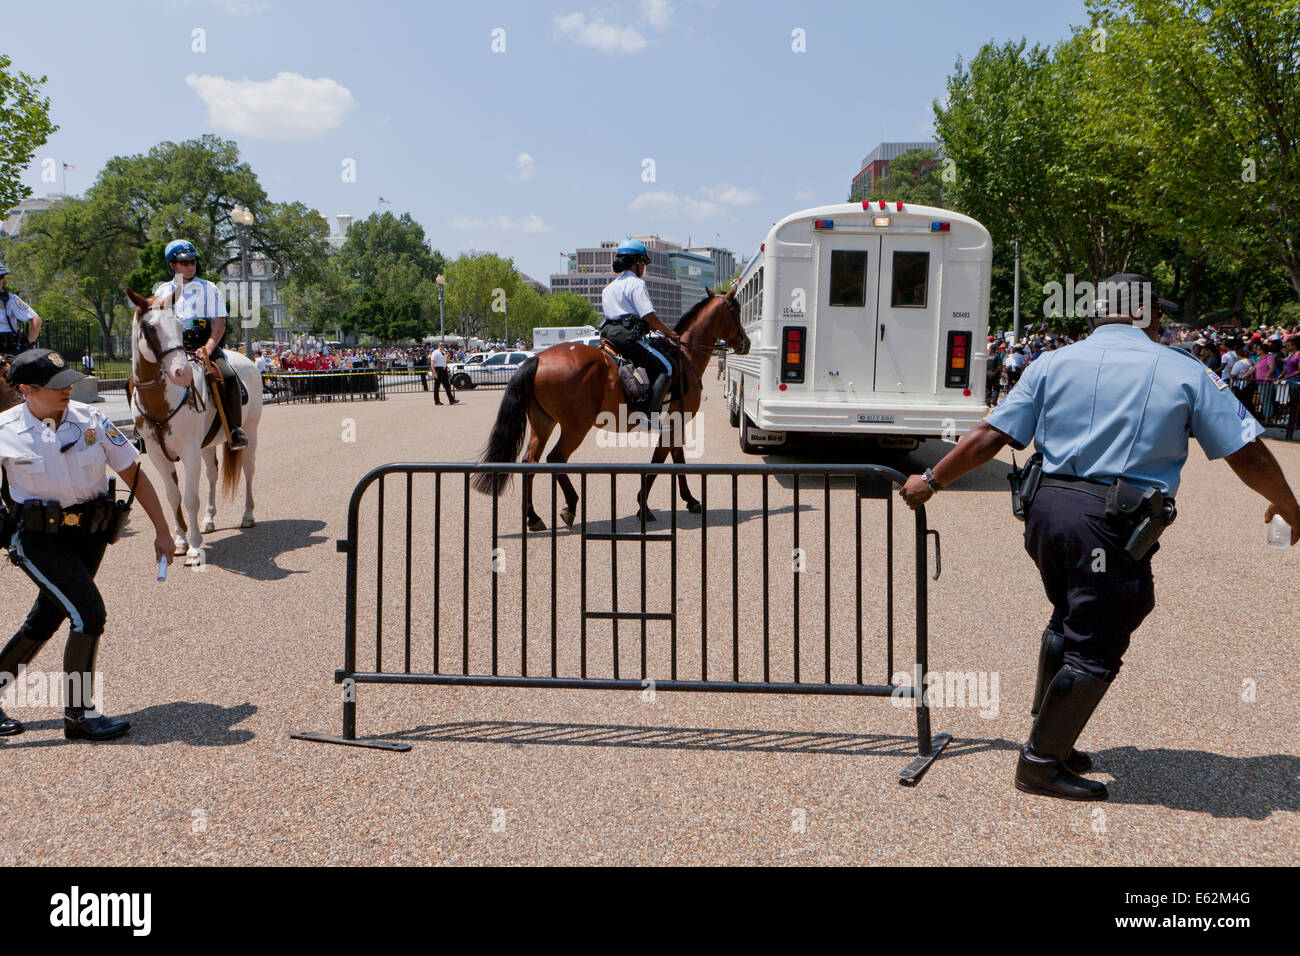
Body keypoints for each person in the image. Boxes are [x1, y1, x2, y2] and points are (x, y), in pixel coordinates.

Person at [899, 274, 1300, 801]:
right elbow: (1245, 451)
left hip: (1046, 510)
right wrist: (1290, 506)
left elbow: (990, 436)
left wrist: (931, 481)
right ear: (1150, 315)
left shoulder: (1051, 362)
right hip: (1110, 518)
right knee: (1100, 634)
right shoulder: (1183, 369)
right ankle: (1039, 765)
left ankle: (1051, 738)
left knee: (1069, 615)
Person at [0, 350, 174, 740]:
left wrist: (163, 531)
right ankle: (79, 715)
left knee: (46, 618)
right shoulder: (3, 429)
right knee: (89, 614)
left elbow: (135, 474)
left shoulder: (92, 419)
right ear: (26, 389)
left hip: (90, 536)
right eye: (57, 385)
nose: (68, 390)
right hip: (37, 539)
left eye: (69, 381)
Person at [154, 240, 248, 450]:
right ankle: (144, 431)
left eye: (192, 261)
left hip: (202, 343)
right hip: (173, 347)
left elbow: (220, 323)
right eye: (184, 262)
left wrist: (208, 347)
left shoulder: (208, 288)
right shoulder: (161, 292)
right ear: (172, 265)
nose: (190, 266)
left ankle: (234, 430)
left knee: (229, 376)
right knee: (138, 380)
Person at [599, 239, 680, 428]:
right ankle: (649, 417)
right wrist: (670, 333)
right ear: (636, 263)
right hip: (626, 336)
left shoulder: (608, 288)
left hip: (607, 335)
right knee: (668, 366)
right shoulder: (636, 284)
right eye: (643, 264)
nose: (643, 268)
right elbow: (649, 316)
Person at [0, 264, 41, 358]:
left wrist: (28, 345)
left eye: (1, 277)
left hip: (6, 352)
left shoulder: (10, 299)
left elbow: (36, 320)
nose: (0, 281)